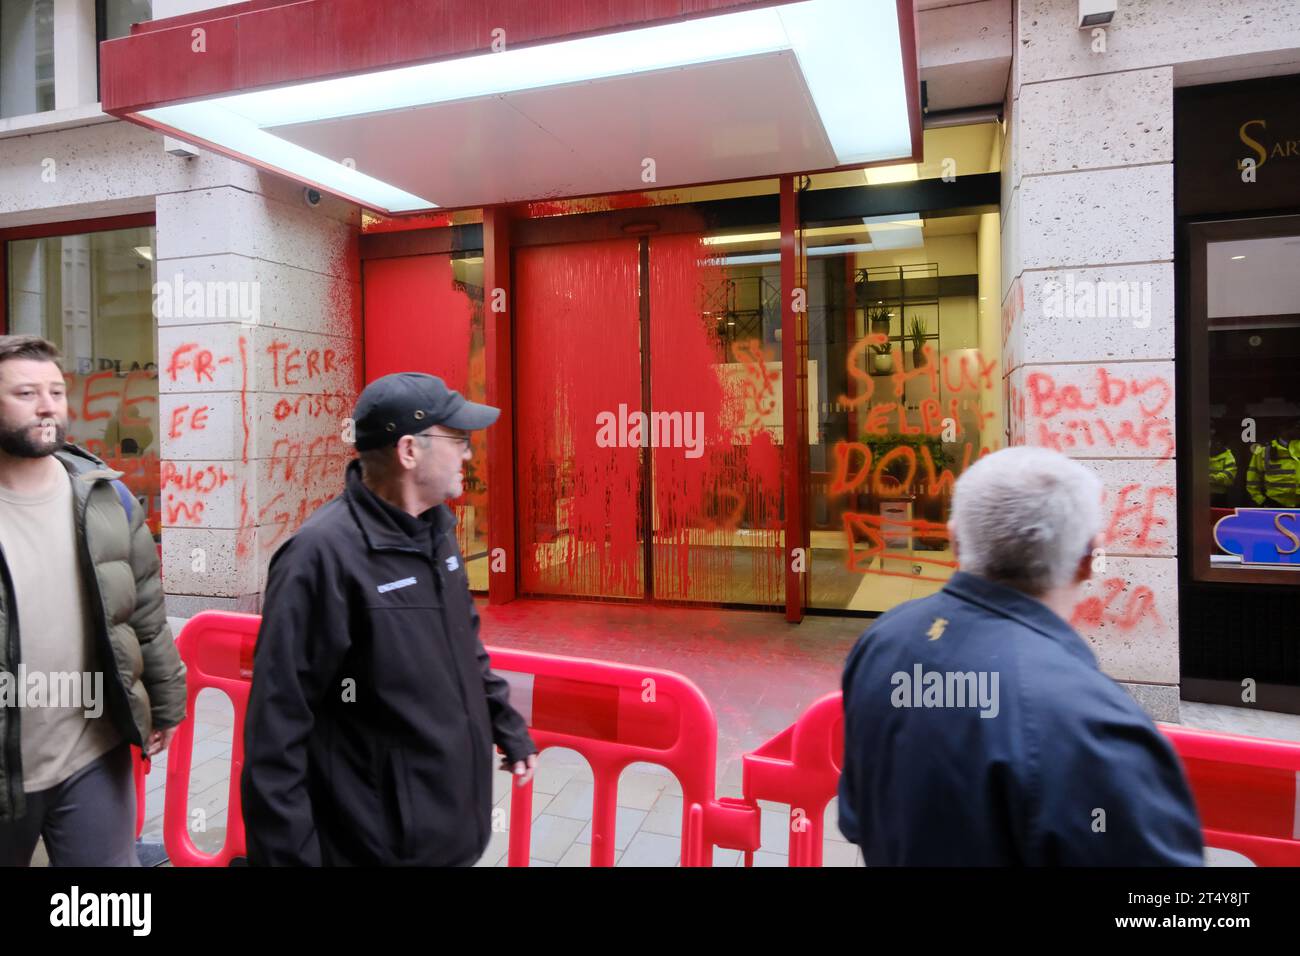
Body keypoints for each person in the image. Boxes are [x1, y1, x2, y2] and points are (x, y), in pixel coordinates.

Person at [838, 446, 1204, 865]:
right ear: (1089, 558)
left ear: (955, 540)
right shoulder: (1098, 726)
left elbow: (857, 817)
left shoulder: (882, 641)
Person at [242, 372, 537, 866]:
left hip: (445, 839)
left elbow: (464, 645)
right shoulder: (320, 557)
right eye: (458, 439)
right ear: (408, 451)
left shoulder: (435, 533)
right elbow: (276, 735)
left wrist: (503, 720)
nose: (468, 453)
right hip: (374, 849)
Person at [0, 335, 186, 867]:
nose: (47, 406)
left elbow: (145, 608)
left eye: (56, 392)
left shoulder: (106, 495)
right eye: (26, 393)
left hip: (92, 753)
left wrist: (166, 705)